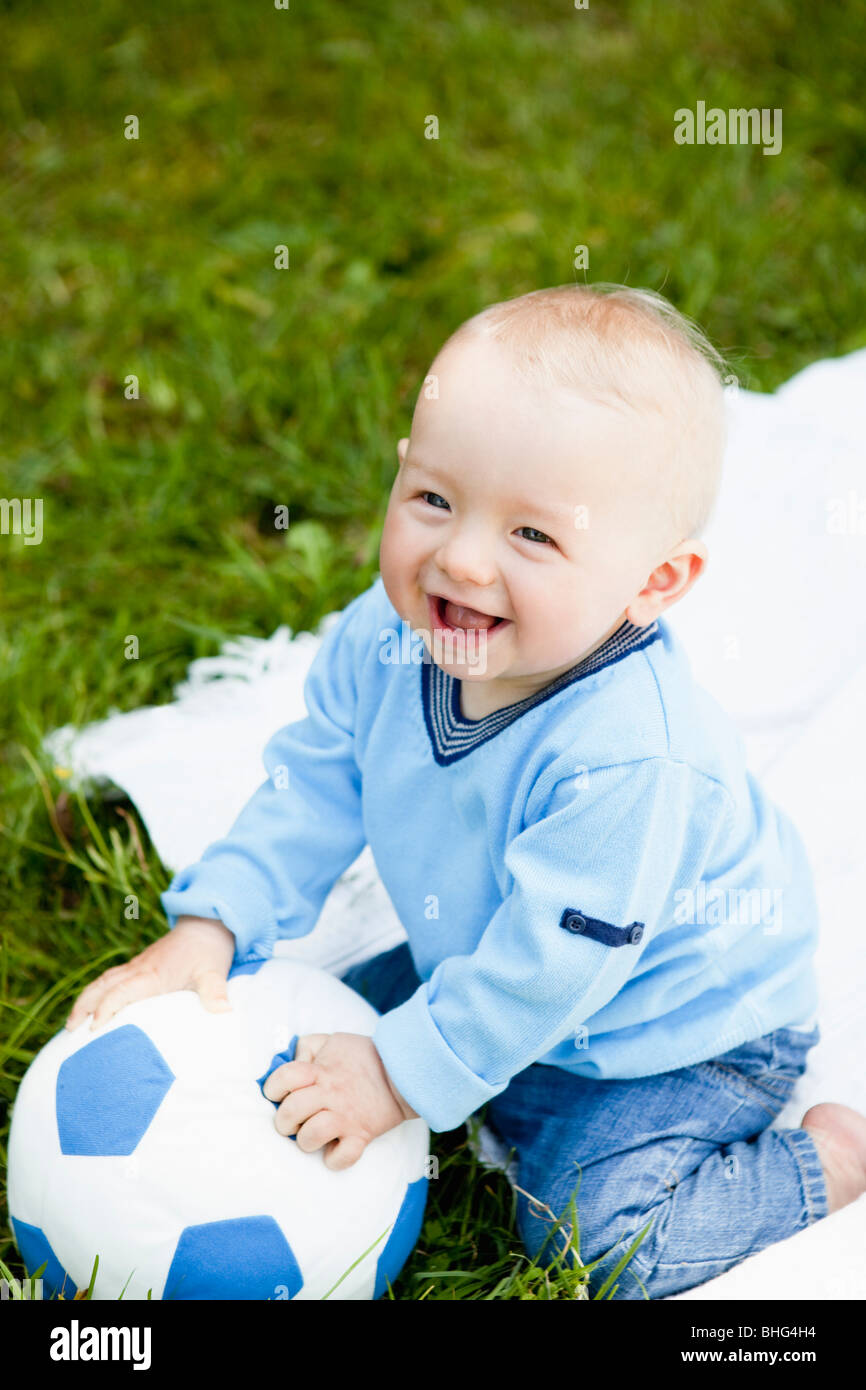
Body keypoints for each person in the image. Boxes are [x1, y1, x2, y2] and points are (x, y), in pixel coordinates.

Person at [66, 284, 866, 1299]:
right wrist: (214, 921)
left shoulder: (628, 756)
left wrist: (399, 1074)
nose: (460, 557)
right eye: (434, 500)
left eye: (533, 536)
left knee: (604, 1239)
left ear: (651, 585)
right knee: (284, 1040)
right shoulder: (390, 636)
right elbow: (315, 781)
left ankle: (817, 1168)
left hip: (665, 1031)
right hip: (483, 950)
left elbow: (553, 962)